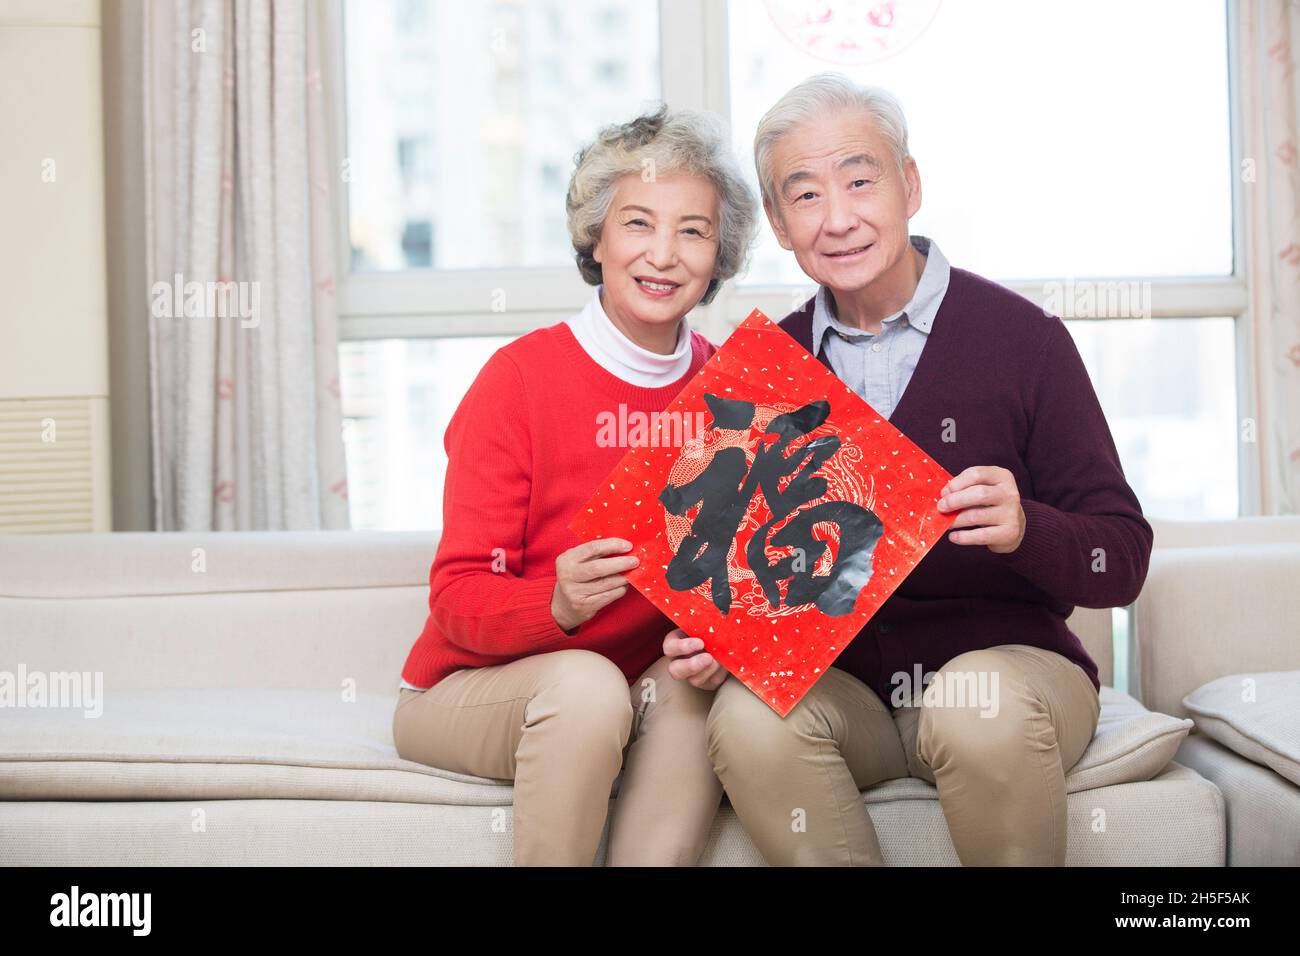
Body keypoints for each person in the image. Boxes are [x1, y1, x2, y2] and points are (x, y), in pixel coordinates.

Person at [678, 73, 1153, 865]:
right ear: (778, 224)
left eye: (860, 181)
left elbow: (1122, 558)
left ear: (910, 185)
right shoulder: (763, 370)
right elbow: (741, 575)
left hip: (1006, 674)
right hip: (850, 695)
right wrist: (722, 636)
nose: (838, 219)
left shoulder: (1022, 339)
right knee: (746, 713)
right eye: (805, 196)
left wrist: (1025, 528)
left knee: (979, 708)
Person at [392, 104, 758, 866]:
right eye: (637, 224)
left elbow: (748, 582)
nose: (663, 254)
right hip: (470, 690)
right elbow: (457, 598)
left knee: (697, 687)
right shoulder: (518, 381)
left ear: (718, 257)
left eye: (692, 231)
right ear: (596, 236)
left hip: (636, 691)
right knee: (588, 685)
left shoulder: (735, 393)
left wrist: (731, 642)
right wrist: (553, 602)